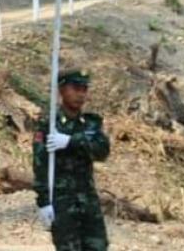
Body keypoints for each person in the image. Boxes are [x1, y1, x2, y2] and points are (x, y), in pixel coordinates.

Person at [33, 68, 110, 251]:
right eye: (75, 88)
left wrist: (71, 141)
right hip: (62, 202)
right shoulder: (49, 123)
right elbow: (40, 164)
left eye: (84, 89)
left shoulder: (91, 123)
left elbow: (102, 151)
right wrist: (43, 202)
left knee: (98, 246)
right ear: (61, 90)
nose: (81, 94)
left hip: (88, 199)